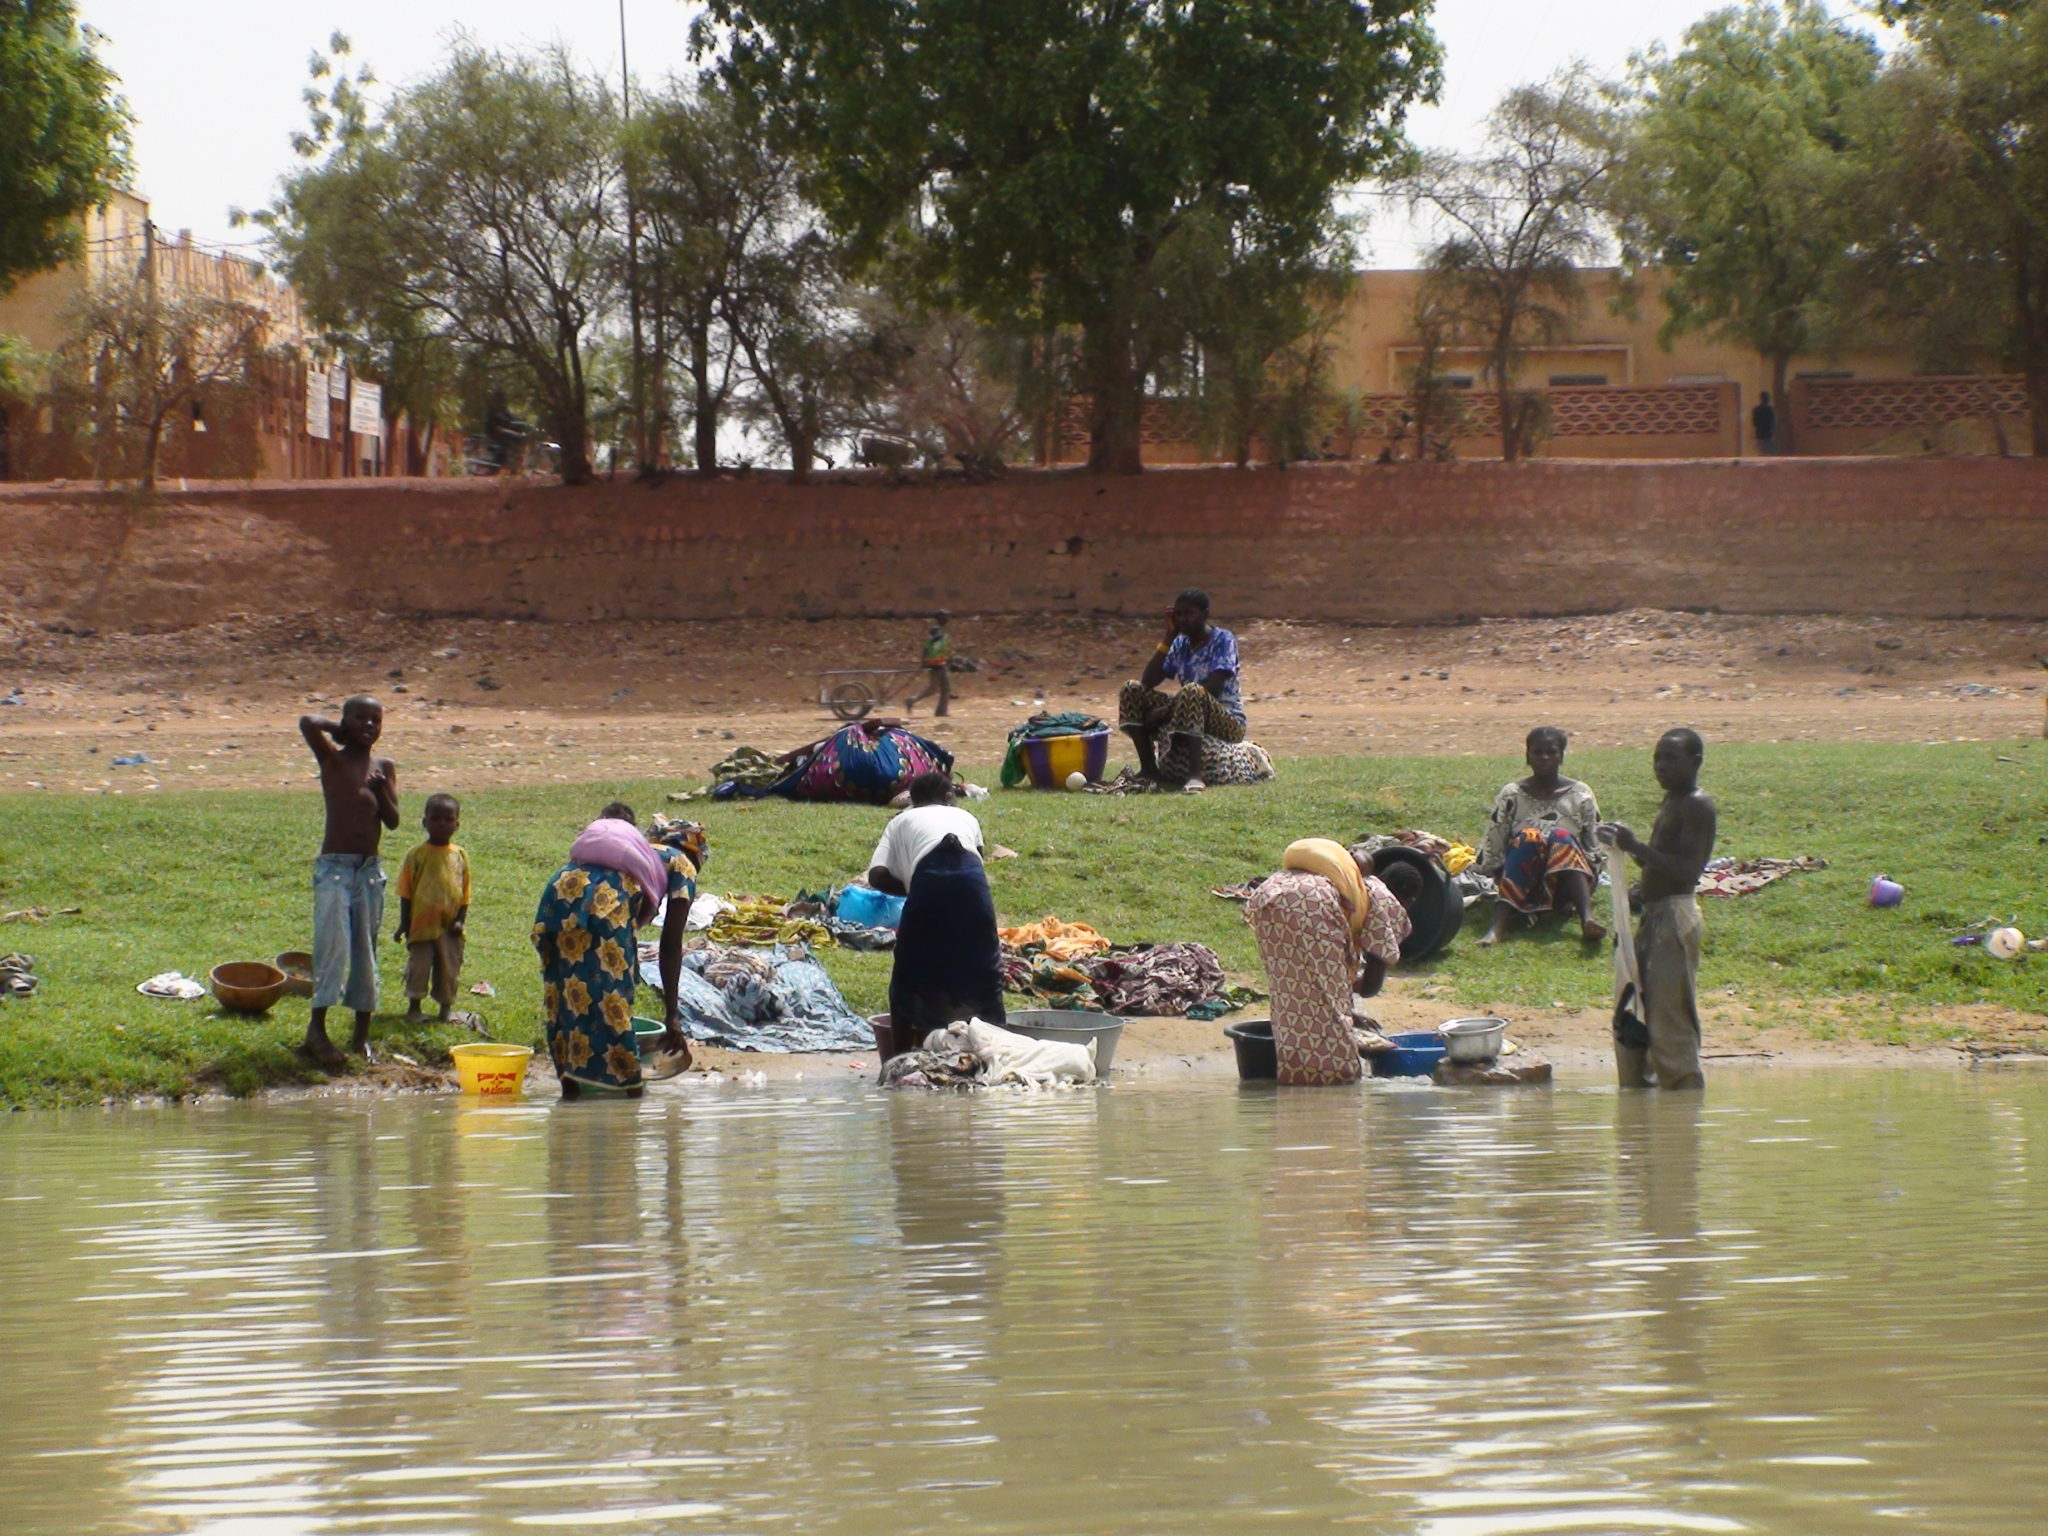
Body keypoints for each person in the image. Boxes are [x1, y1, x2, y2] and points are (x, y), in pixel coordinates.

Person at [532, 801, 706, 1098]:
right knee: (613, 998)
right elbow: (670, 945)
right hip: (605, 902)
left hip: (560, 890)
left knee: (564, 990)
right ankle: (630, 1091)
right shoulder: (683, 864)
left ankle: (570, 1087)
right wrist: (672, 1017)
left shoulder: (635, 850)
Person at [1244, 838, 1423, 1086]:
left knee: (1292, 992)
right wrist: (1343, 1005)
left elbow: (1314, 983)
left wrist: (1346, 1010)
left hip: (1271, 892)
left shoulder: (1354, 888)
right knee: (1331, 1032)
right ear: (1409, 902)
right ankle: (1332, 1081)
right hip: (1310, 902)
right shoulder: (1387, 903)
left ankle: (1295, 1076)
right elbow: (1370, 986)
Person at [1599, 729, 1717, 1091]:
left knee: (1669, 1020)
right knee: (1635, 1012)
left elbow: (1686, 871)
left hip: (1674, 918)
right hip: (1654, 917)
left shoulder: (1698, 804)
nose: (1661, 767)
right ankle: (1645, 1102)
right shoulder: (1672, 801)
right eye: (1657, 759)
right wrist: (1626, 848)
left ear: (1695, 762)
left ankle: (1683, 1101)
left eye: (1670, 759)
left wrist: (1635, 845)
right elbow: (1660, 862)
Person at [866, 771, 1004, 1050]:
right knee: (984, 967)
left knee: (909, 969)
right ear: (950, 796)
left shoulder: (901, 820)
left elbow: (877, 876)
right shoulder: (966, 817)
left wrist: (916, 888)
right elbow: (975, 857)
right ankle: (996, 1051)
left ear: (913, 800)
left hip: (927, 884)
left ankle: (899, 1057)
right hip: (972, 885)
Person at [300, 697, 400, 1070]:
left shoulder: (383, 767)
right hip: (335, 870)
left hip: (369, 872)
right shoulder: (332, 760)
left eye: (376, 720)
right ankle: (317, 1031)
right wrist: (337, 730)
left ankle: (361, 1036)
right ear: (346, 721)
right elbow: (308, 722)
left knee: (365, 951)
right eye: (360, 718)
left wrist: (381, 790)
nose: (369, 725)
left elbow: (393, 821)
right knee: (333, 945)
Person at [1474, 726, 1607, 947]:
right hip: (1524, 882)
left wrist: (1590, 883)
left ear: (1561, 756)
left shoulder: (1580, 794)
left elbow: (1595, 848)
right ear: (1528, 756)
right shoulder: (1512, 795)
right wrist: (1492, 872)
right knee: (1529, 837)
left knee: (1561, 836)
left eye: (1551, 752)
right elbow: (1494, 842)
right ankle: (1498, 926)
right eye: (1537, 752)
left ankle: (1587, 919)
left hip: (1567, 885)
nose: (1544, 758)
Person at [1117, 587, 1245, 782]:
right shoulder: (1179, 644)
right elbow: (1148, 681)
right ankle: (1149, 769)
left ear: (1205, 614)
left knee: (1192, 691)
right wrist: (1169, 637)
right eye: (1178, 614)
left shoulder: (1222, 640)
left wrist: (1167, 710)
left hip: (1227, 719)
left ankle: (1195, 776)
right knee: (1131, 689)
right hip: (1187, 710)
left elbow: (1213, 688)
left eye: (1189, 614)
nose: (1183, 619)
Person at [394, 793, 471, 1024]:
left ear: (456, 825)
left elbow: (465, 893)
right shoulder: (416, 855)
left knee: (449, 968)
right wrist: (404, 923)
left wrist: (460, 920)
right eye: (435, 818)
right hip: (420, 925)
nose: (442, 824)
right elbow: (406, 891)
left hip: (449, 927)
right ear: (424, 822)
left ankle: (445, 1009)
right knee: (419, 966)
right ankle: (414, 1008)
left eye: (448, 819)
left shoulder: (459, 856)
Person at [904, 611, 953, 717]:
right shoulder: (937, 631)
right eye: (946, 617)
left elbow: (931, 647)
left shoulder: (939, 629)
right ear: (941, 618)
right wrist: (926, 660)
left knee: (944, 688)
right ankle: (912, 700)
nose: (948, 619)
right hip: (936, 663)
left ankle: (941, 711)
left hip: (939, 662)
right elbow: (929, 646)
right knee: (934, 688)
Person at [1751, 391, 1776, 455]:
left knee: (1762, 451)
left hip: (1760, 433)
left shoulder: (1756, 409)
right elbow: (1773, 423)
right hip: (1768, 434)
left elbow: (1754, 422)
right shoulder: (1770, 410)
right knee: (1768, 451)